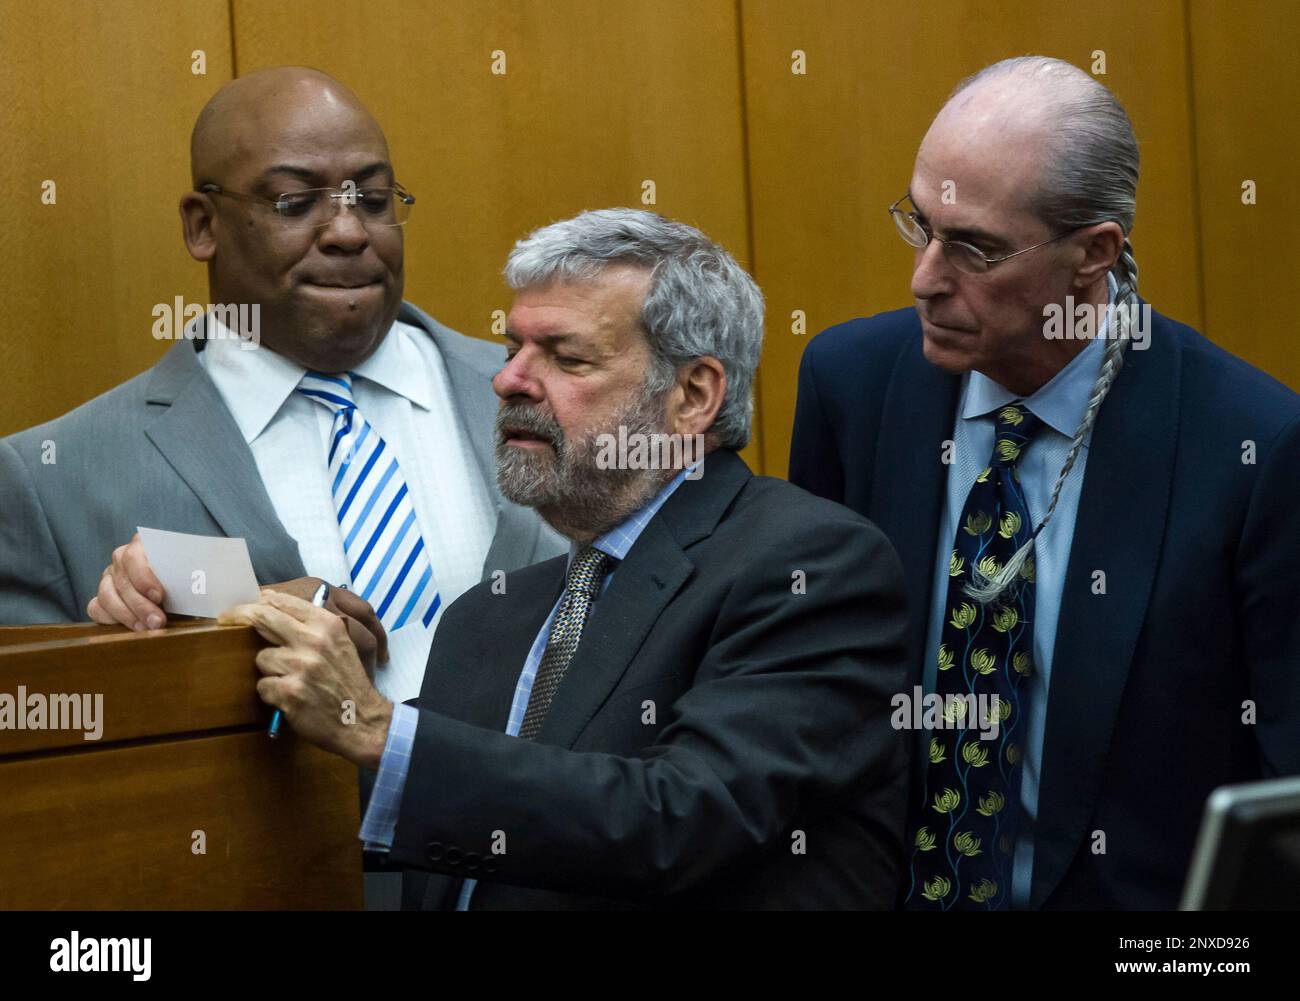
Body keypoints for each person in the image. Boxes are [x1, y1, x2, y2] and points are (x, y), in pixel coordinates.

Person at [221, 208, 912, 909]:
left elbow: (680, 820)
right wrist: (207, 600)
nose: (509, 379)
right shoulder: (488, 615)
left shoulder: (809, 565)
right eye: (513, 347)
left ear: (693, 395)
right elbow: (391, 792)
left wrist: (374, 725)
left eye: (565, 356)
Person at [789, 56, 1300, 910]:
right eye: (920, 226)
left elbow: (1285, 810)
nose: (924, 278)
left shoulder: (1253, 447)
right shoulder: (851, 385)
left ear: (1093, 253)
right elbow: (813, 697)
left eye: (974, 249)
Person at [0, 67, 564, 703]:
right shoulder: (49, 479)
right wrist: (178, 635)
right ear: (202, 226)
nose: (349, 232)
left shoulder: (551, 393)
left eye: (374, 201)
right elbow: (42, 756)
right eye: (294, 204)